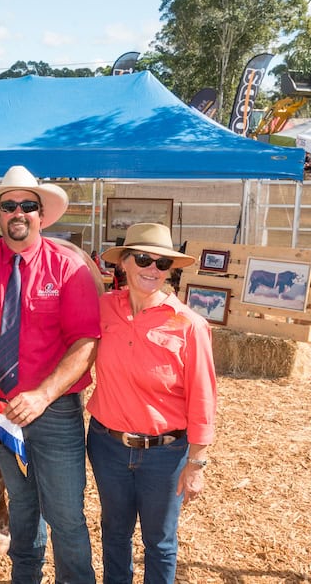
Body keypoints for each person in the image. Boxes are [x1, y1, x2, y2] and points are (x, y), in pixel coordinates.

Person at [0, 165, 99, 583]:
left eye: (28, 205)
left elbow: (86, 343)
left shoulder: (68, 267)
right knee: (21, 507)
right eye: (9, 205)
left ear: (42, 214)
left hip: (53, 412)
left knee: (66, 516)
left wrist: (42, 395)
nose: (19, 212)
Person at [88, 223, 217, 584]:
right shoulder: (103, 308)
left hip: (165, 455)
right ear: (124, 263)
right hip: (106, 445)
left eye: (162, 264)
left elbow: (204, 399)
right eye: (143, 258)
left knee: (159, 542)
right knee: (113, 533)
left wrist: (197, 463)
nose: (152, 269)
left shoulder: (189, 325)